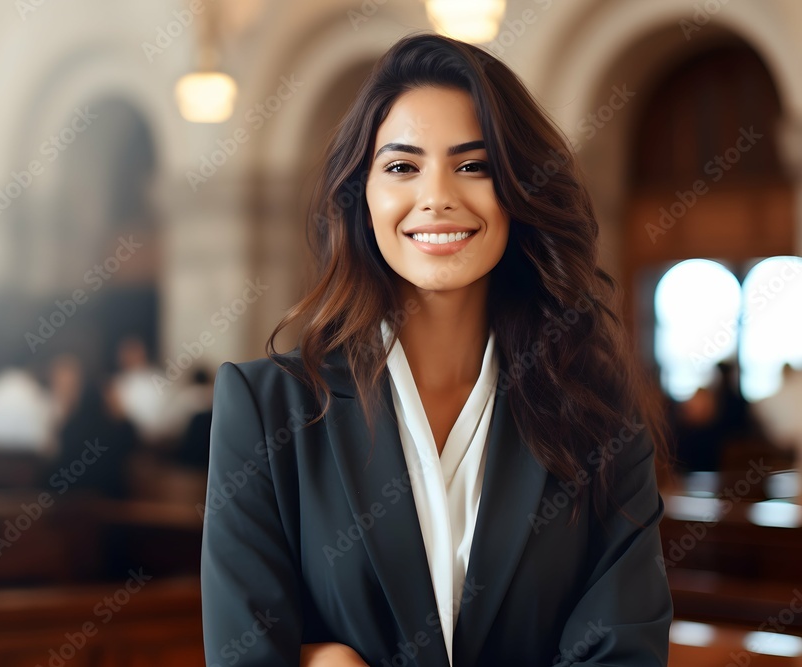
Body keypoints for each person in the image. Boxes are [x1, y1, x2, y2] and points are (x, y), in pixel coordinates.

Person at [201, 33, 673, 666]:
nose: (438, 195)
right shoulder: (267, 408)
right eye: (402, 166)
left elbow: (625, 654)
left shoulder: (599, 413)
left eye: (474, 165)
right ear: (361, 196)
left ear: (518, 191)